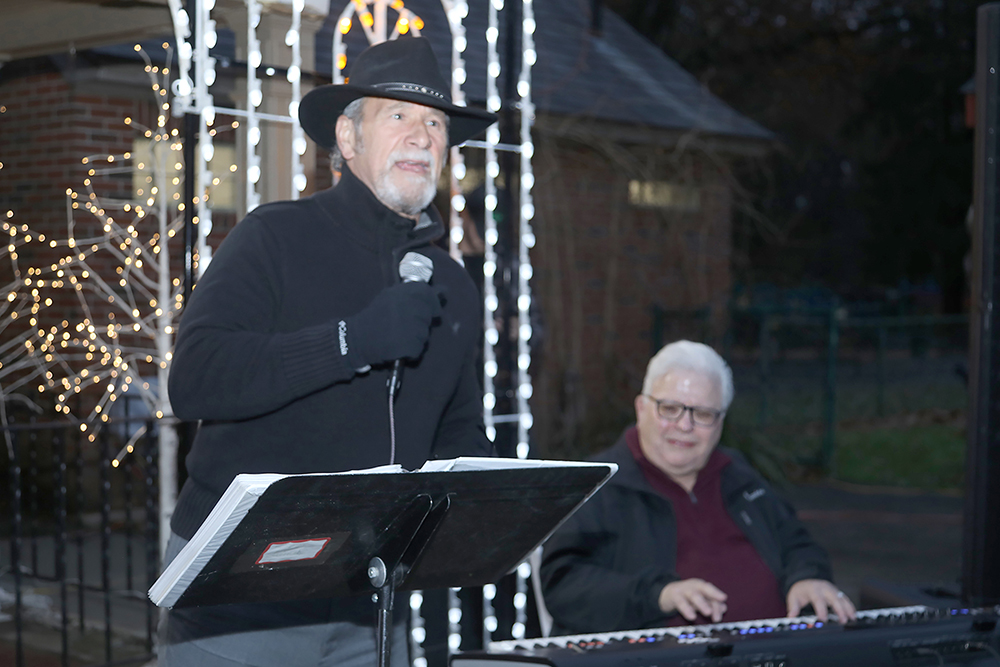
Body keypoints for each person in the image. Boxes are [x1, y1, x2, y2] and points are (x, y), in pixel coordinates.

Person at [160, 37, 496, 667]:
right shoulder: (274, 237)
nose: (423, 136)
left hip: (370, 605)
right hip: (242, 600)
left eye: (435, 123)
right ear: (348, 139)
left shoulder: (451, 282)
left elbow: (455, 427)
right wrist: (353, 341)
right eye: (397, 116)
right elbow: (196, 379)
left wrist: (494, 499)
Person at [540, 340, 856, 635]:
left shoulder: (738, 476)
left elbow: (797, 544)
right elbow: (564, 587)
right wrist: (659, 594)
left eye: (703, 413)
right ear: (641, 408)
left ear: (721, 423)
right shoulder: (596, 485)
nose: (685, 426)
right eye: (670, 408)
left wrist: (807, 577)